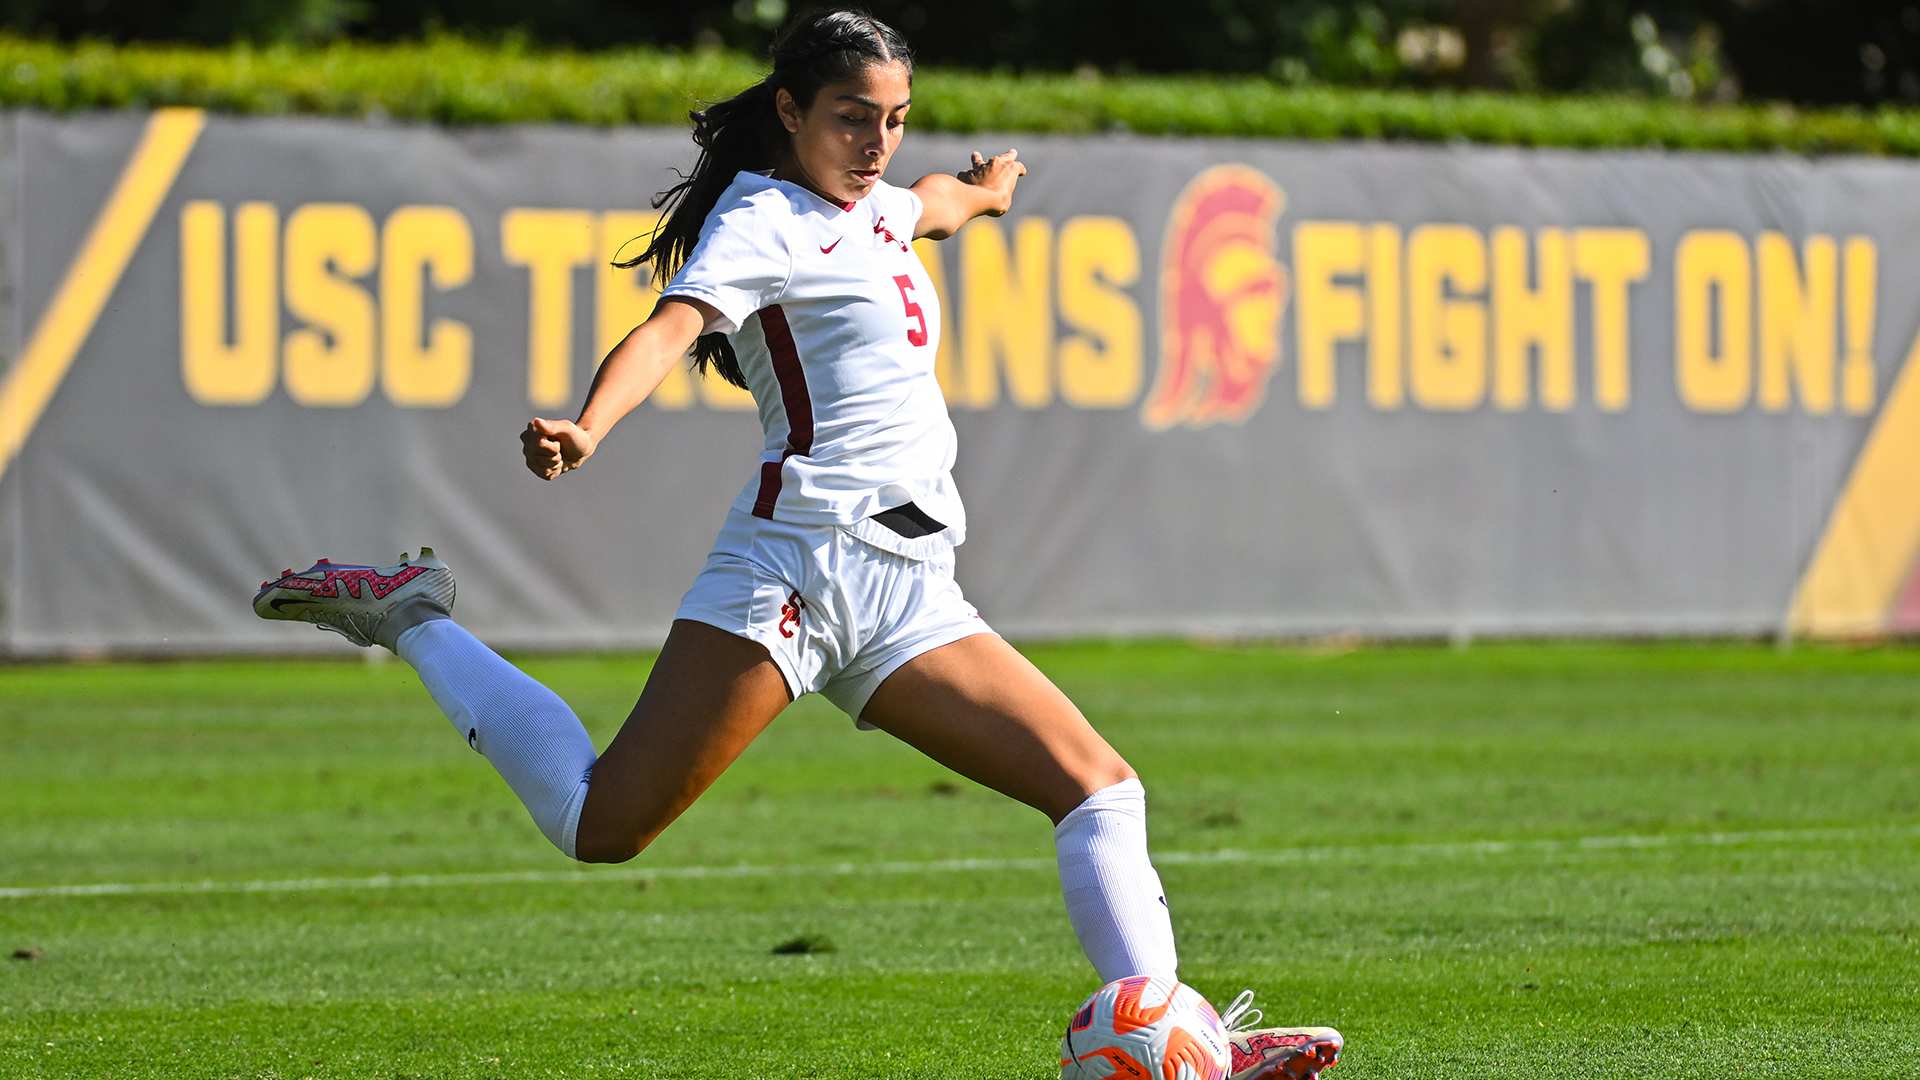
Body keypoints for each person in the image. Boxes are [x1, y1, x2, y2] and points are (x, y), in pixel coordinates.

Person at [253, 9, 1339, 1079]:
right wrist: (589, 423)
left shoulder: (881, 204)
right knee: (600, 822)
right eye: (851, 118)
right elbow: (672, 328)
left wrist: (988, 192)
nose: (876, 145)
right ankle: (412, 616)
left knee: (1100, 789)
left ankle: (1189, 1046)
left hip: (912, 590)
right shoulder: (763, 219)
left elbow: (937, 206)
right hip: (801, 570)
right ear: (790, 111)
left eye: (896, 120)